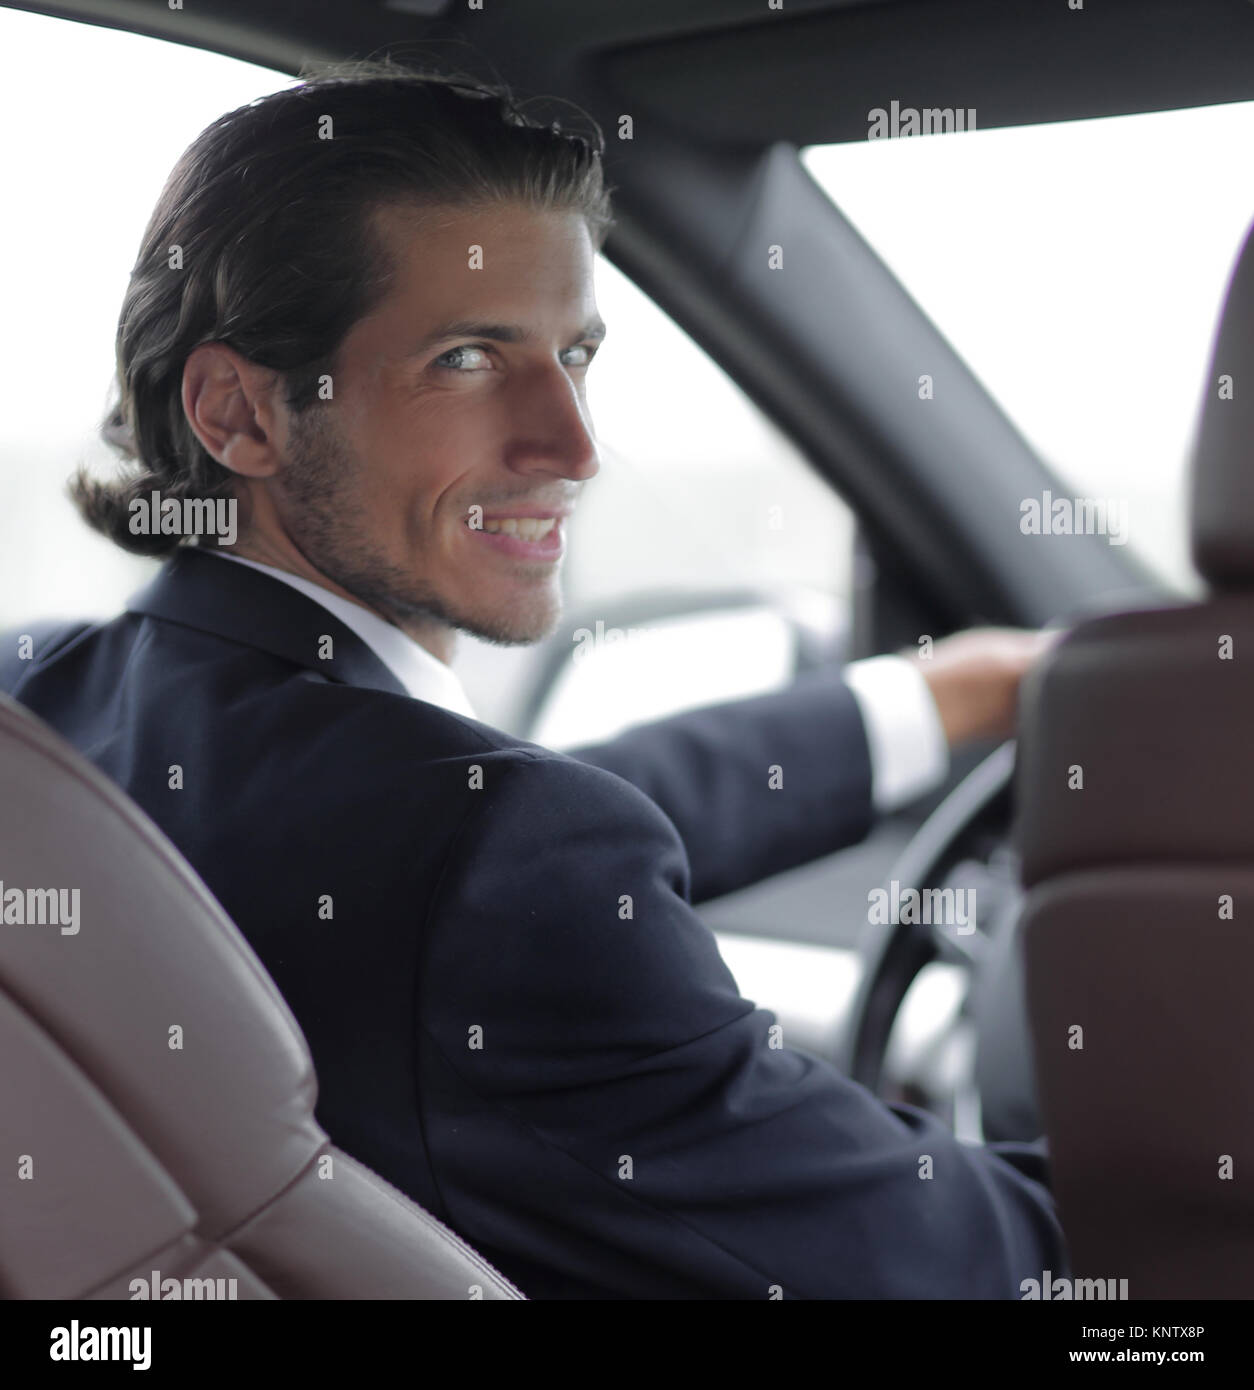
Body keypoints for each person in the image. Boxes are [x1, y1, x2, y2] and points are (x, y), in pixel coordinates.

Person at [0, 61, 1065, 1298]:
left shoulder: (41, 711)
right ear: (241, 413)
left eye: (575, 354)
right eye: (467, 358)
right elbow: (979, 1266)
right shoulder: (493, 865)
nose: (572, 444)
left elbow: (513, 824)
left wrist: (954, 695)